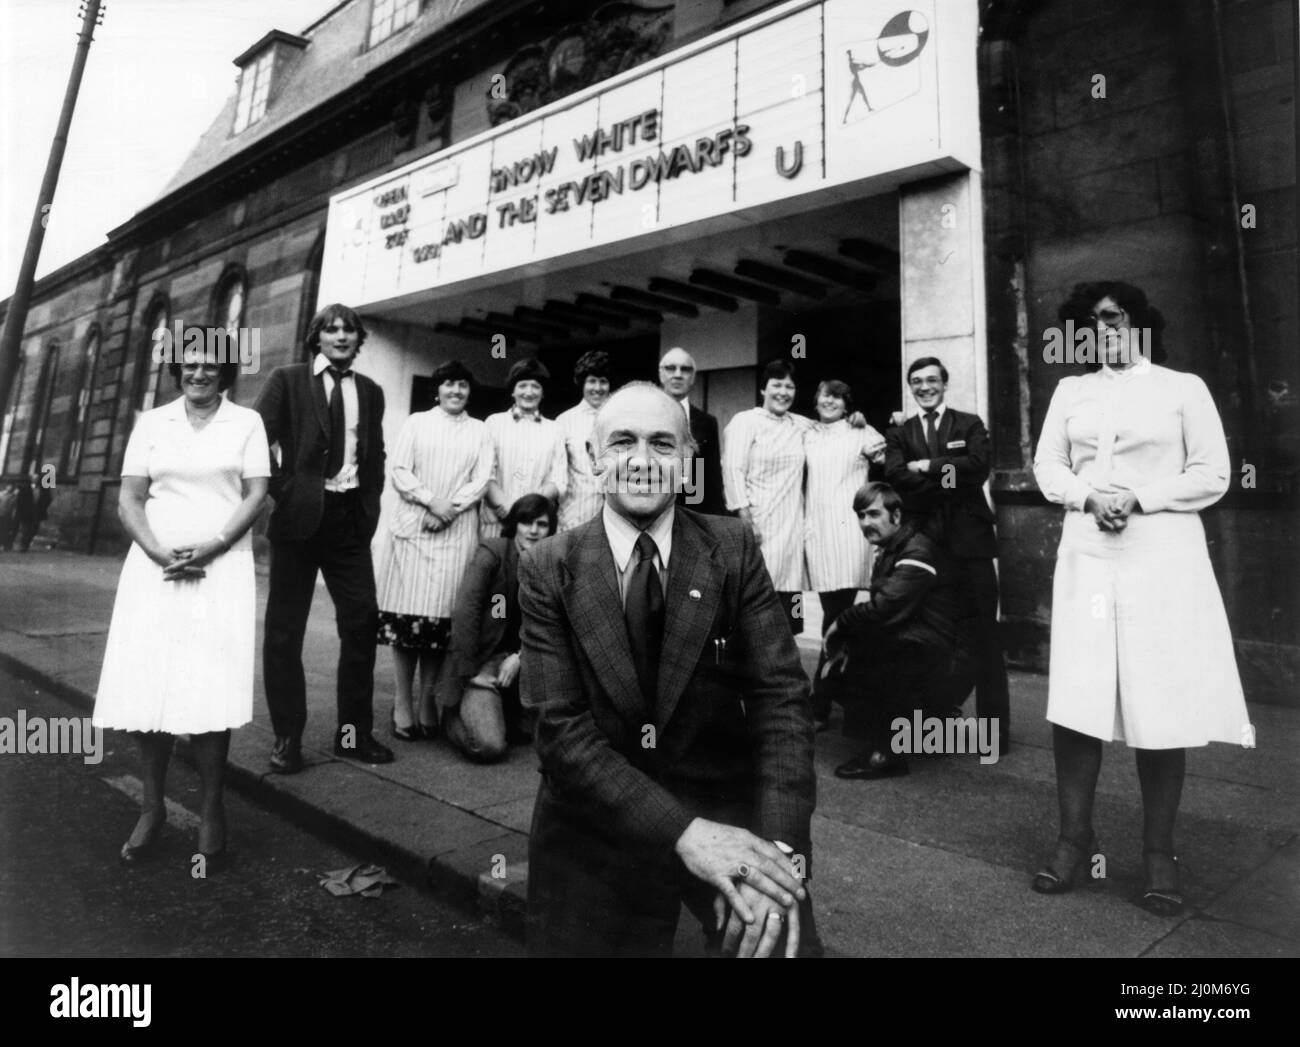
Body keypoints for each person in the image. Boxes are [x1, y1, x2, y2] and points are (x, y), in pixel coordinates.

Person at [519, 382, 817, 958]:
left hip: (722, 806)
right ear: (592, 457)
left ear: (687, 461)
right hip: (592, 820)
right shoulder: (548, 567)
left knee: (780, 948)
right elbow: (562, 734)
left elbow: (780, 697)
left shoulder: (732, 548)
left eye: (662, 444)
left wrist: (778, 856)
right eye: (622, 442)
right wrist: (685, 834)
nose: (640, 461)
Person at [1031, 281, 1251, 916]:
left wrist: (1141, 497)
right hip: (1088, 554)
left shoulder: (1183, 387)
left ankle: (1159, 853)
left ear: (1140, 322)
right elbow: (1048, 467)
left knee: (1158, 699)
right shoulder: (1071, 391)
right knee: (1077, 697)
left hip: (1162, 555)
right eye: (1093, 321)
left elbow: (1213, 472)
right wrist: (1088, 496)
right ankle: (1075, 838)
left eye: (1116, 316)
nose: (1106, 328)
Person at [93, 345, 269, 866]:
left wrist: (213, 546)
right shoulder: (152, 423)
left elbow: (257, 494)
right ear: (177, 370)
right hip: (155, 568)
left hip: (222, 569)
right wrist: (154, 550)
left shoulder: (247, 422)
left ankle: (212, 809)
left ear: (225, 372)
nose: (198, 372)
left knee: (210, 685)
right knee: (151, 685)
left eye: (209, 365)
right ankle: (152, 808)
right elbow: (129, 498)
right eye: (189, 364)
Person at [254, 303, 392, 773]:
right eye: (331, 329)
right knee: (285, 630)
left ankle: (352, 735)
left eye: (349, 330)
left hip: (348, 522)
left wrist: (368, 506)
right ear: (317, 337)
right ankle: (287, 737)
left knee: (360, 622)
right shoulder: (287, 379)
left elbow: (375, 456)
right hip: (298, 521)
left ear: (358, 340)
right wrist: (283, 489)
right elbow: (256, 442)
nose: (340, 336)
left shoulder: (371, 391)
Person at [885, 356, 1010, 750]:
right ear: (911, 387)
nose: (925, 387)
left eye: (932, 380)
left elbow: (977, 467)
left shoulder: (968, 422)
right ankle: (932, 723)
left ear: (944, 383)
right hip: (928, 548)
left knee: (986, 638)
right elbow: (896, 475)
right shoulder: (900, 432)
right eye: (917, 382)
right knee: (931, 635)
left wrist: (928, 466)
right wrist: (943, 475)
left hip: (971, 548)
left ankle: (996, 732)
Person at [375, 360, 493, 742]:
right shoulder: (416, 423)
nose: (455, 391)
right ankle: (402, 703)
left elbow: (481, 479)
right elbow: (399, 471)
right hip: (414, 531)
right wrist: (431, 502)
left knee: (439, 626)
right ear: (437, 389)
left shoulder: (480, 431)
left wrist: (448, 510)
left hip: (455, 533)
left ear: (469, 391)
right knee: (409, 623)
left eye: (462, 385)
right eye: (448, 385)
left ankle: (427, 701)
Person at [823, 482, 975, 779]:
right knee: (850, 661)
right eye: (861, 516)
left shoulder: (916, 550)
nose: (866, 523)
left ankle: (885, 754)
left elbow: (884, 609)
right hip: (926, 644)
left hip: (947, 656)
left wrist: (839, 625)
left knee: (871, 658)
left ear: (896, 516)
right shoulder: (894, 547)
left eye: (873, 514)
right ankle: (927, 727)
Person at [443, 494, 555, 762]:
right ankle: (449, 719)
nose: (534, 531)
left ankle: (510, 714)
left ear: (551, 529)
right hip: (484, 662)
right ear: (515, 523)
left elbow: (554, 627)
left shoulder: (552, 564)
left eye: (542, 524)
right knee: (490, 746)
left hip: (523, 665)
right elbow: (465, 612)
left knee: (541, 735)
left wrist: (520, 657)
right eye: (526, 522)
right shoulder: (493, 552)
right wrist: (471, 673)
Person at [804, 379, 886, 727]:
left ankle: (820, 702)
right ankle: (839, 688)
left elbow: (889, 459)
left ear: (846, 403)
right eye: (825, 395)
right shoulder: (805, 433)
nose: (830, 401)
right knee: (833, 614)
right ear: (817, 399)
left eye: (838, 396)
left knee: (837, 616)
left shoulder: (863, 431)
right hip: (818, 534)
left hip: (850, 536)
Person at [722, 358, 810, 634]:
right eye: (777, 385)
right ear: (763, 389)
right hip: (756, 524)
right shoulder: (745, 421)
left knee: (788, 615)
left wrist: (857, 419)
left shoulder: (800, 424)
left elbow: (831, 424)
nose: (784, 392)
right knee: (753, 609)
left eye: (790, 386)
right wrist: (744, 517)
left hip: (792, 531)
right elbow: (733, 468)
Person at [481, 357, 567, 538]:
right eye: (522, 385)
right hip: (498, 519)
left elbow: (559, 480)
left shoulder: (555, 429)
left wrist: (529, 508)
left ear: (543, 392)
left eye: (535, 386)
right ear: (513, 391)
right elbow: (484, 473)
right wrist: (505, 506)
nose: (529, 392)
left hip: (534, 523)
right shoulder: (494, 423)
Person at [658, 347, 726, 514]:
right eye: (671, 368)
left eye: (685, 369)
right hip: (653, 510)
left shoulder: (707, 422)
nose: (678, 374)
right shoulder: (642, 415)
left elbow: (711, 478)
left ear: (693, 377)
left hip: (693, 511)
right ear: (661, 374)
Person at [555, 351, 610, 531]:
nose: (598, 387)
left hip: (612, 516)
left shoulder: (621, 418)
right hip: (574, 515)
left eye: (603, 381)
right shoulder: (564, 421)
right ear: (582, 383)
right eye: (592, 381)